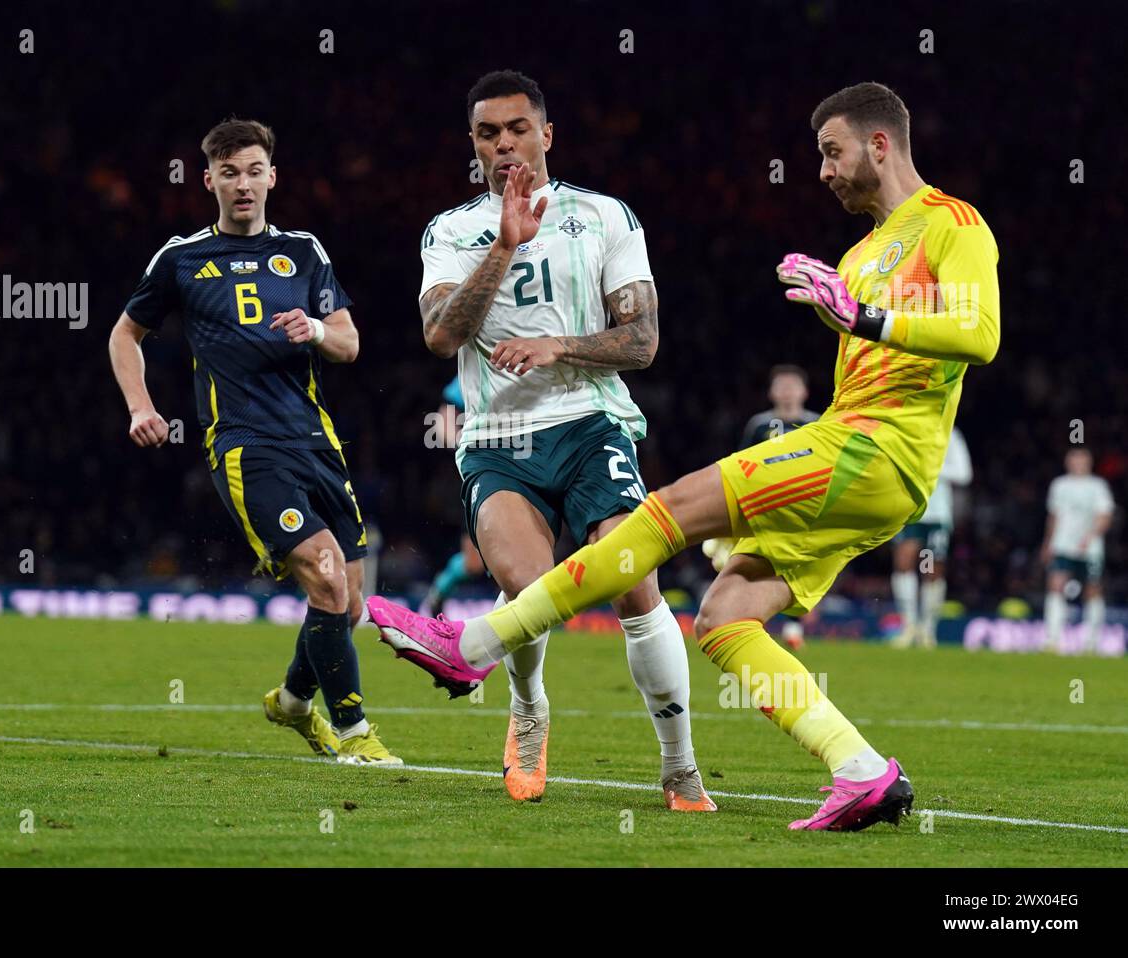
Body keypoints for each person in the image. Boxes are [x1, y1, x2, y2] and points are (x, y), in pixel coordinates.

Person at [371, 81, 1002, 831]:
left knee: (663, 514)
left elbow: (980, 335)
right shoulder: (864, 251)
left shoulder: (951, 222)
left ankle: (471, 643)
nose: (823, 172)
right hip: (860, 455)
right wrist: (852, 310)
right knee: (726, 617)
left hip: (873, 447)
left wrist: (863, 314)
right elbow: (439, 331)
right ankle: (861, 771)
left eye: (831, 154)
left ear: (879, 144)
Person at [414, 70, 712, 810]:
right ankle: (529, 710)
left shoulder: (605, 216)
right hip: (496, 436)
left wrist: (560, 346)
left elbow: (641, 341)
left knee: (635, 583)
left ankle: (679, 765)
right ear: (474, 145)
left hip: (590, 421)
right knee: (526, 586)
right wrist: (506, 246)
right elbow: (441, 333)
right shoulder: (452, 231)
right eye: (488, 133)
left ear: (546, 134)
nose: (504, 143)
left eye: (518, 128)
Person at [109, 118, 400, 765]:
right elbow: (124, 335)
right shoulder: (181, 257)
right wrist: (140, 407)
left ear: (274, 176)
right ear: (208, 179)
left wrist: (316, 331)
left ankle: (294, 703)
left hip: (317, 443)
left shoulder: (303, 251)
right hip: (245, 447)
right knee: (326, 579)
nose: (243, 184)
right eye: (230, 172)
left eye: (254, 170)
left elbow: (350, 342)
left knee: (347, 603)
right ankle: (355, 735)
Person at [733, 364, 821, 649]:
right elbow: (741, 462)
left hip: (801, 507)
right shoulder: (758, 425)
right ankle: (752, 622)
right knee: (758, 562)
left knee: (795, 565)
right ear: (771, 392)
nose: (786, 390)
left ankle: (794, 626)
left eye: (792, 385)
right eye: (781, 385)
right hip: (764, 506)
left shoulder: (817, 425)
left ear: (804, 391)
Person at [890, 427, 972, 648]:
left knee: (932, 570)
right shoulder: (905, 427)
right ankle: (908, 626)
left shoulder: (950, 434)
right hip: (909, 508)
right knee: (903, 563)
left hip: (937, 514)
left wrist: (930, 469)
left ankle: (927, 629)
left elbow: (964, 473)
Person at [418, 376, 488, 619]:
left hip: (523, 473)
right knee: (474, 564)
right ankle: (438, 593)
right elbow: (442, 424)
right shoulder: (470, 374)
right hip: (481, 477)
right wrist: (465, 446)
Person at [1041, 448, 1114, 653]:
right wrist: (1048, 543)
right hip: (1062, 545)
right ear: (1067, 462)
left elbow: (1105, 516)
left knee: (1092, 590)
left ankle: (1091, 642)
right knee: (1056, 585)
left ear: (1089, 463)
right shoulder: (1059, 485)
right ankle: (1052, 640)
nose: (1077, 464)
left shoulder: (1097, 486)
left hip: (1090, 548)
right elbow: (1054, 516)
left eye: (1081, 460)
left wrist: (1090, 537)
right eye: (1073, 460)